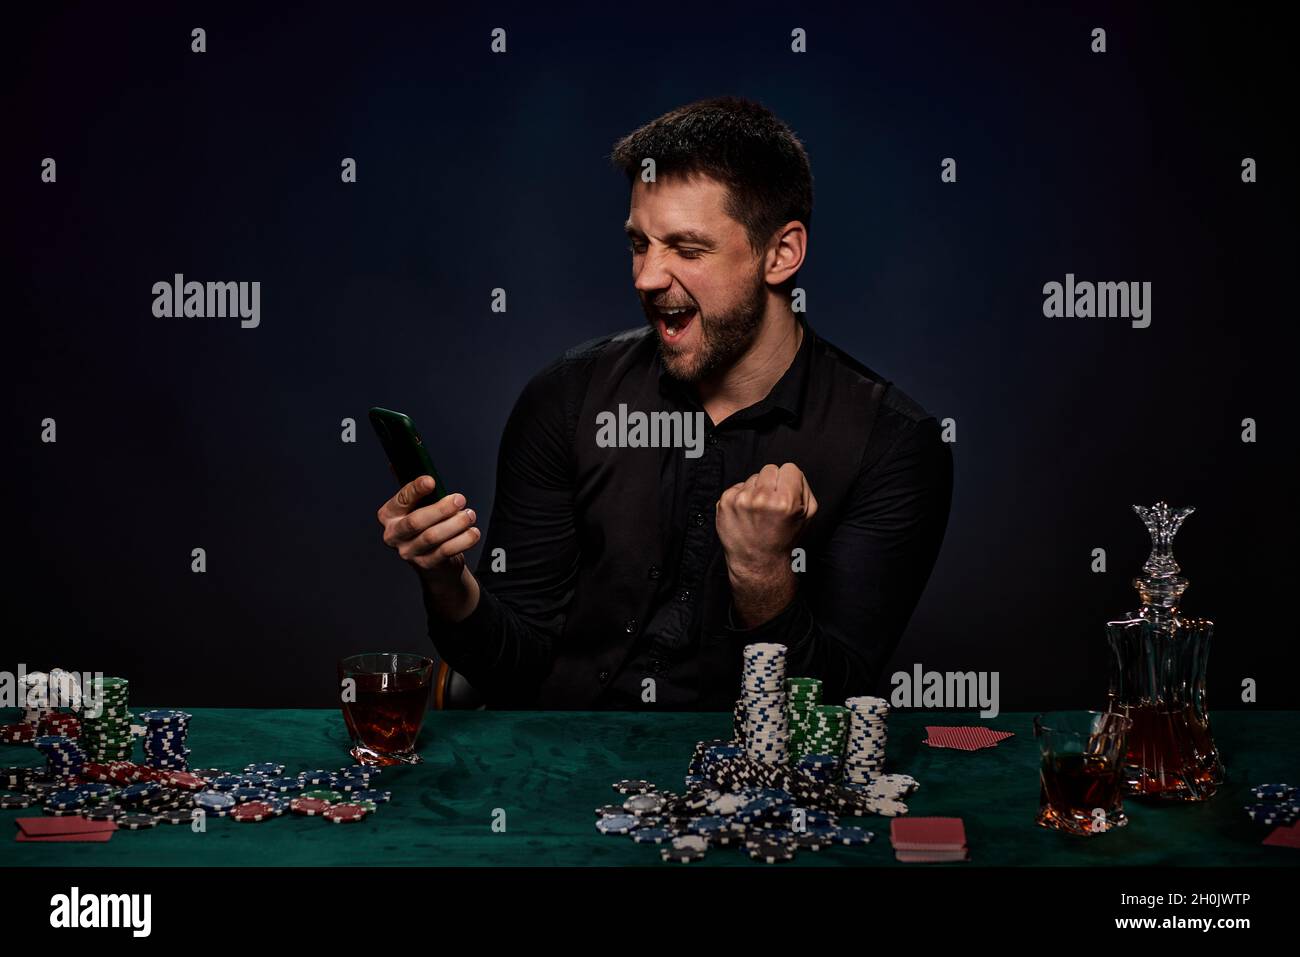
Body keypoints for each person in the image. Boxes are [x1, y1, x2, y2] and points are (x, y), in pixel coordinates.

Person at [377, 96, 952, 709]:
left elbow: (833, 710)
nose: (646, 278)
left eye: (686, 248)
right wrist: (448, 584)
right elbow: (514, 668)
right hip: (565, 773)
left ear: (781, 254)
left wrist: (763, 578)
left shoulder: (891, 444)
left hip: (750, 786)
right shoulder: (566, 398)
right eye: (639, 244)